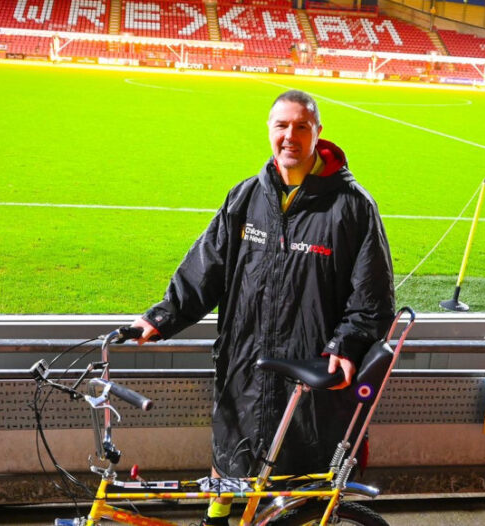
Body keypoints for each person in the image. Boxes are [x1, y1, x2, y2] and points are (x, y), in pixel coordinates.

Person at [131, 90, 394, 525]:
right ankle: (215, 521)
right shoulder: (247, 197)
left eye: (301, 126)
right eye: (282, 126)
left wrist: (348, 343)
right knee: (230, 461)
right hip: (245, 363)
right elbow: (206, 270)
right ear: (270, 131)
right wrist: (160, 318)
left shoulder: (353, 207)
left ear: (318, 133)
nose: (290, 135)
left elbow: (373, 297)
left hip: (306, 372)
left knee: (298, 479)